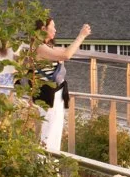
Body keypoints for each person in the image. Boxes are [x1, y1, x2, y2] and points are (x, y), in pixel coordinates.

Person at [33, 17, 91, 153]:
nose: (55, 30)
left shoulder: (47, 47)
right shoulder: (39, 47)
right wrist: (81, 36)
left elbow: (64, 53)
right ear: (43, 29)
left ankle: (50, 167)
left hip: (55, 94)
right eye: (52, 26)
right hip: (48, 95)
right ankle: (46, 167)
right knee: (48, 135)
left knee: (54, 134)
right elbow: (66, 55)